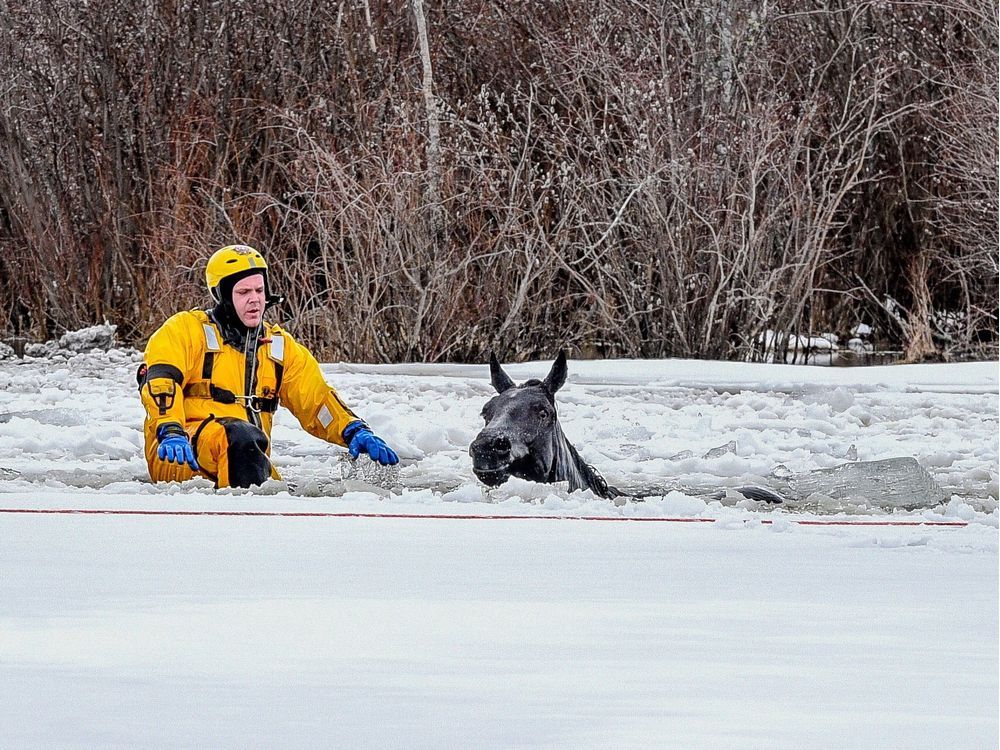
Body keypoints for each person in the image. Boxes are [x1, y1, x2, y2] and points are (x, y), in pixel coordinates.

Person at [138, 244, 398, 488]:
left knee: (270, 478)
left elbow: (316, 400)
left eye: (259, 291)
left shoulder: (279, 346)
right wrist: (170, 427)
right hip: (178, 453)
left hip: (246, 453)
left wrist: (353, 430)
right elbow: (160, 381)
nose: (255, 300)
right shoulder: (185, 329)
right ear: (222, 295)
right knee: (238, 437)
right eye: (243, 292)